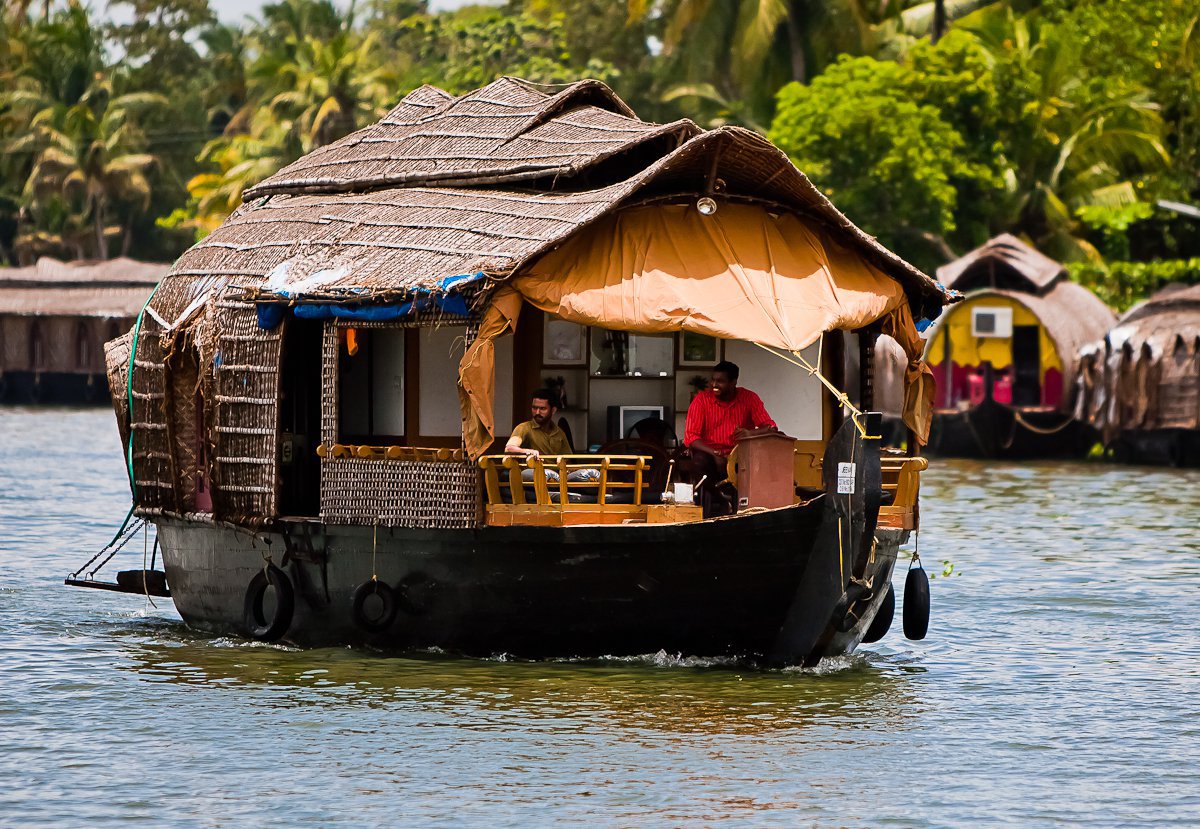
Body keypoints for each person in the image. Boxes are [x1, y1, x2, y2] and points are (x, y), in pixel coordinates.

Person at [684, 360, 777, 514]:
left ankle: (750, 514)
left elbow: (771, 427)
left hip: (739, 455)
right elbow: (691, 437)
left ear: (733, 382)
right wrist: (715, 454)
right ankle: (720, 498)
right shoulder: (701, 400)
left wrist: (749, 433)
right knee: (698, 463)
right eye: (713, 379)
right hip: (709, 454)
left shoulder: (749, 398)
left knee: (758, 466)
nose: (714, 384)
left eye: (720, 381)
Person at [506, 389, 572, 459]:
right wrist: (527, 451)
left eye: (542, 408)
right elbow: (509, 449)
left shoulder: (559, 432)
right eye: (534, 408)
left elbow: (568, 458)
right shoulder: (524, 428)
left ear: (553, 410)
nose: (537, 412)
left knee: (583, 470)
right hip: (532, 469)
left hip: (556, 469)